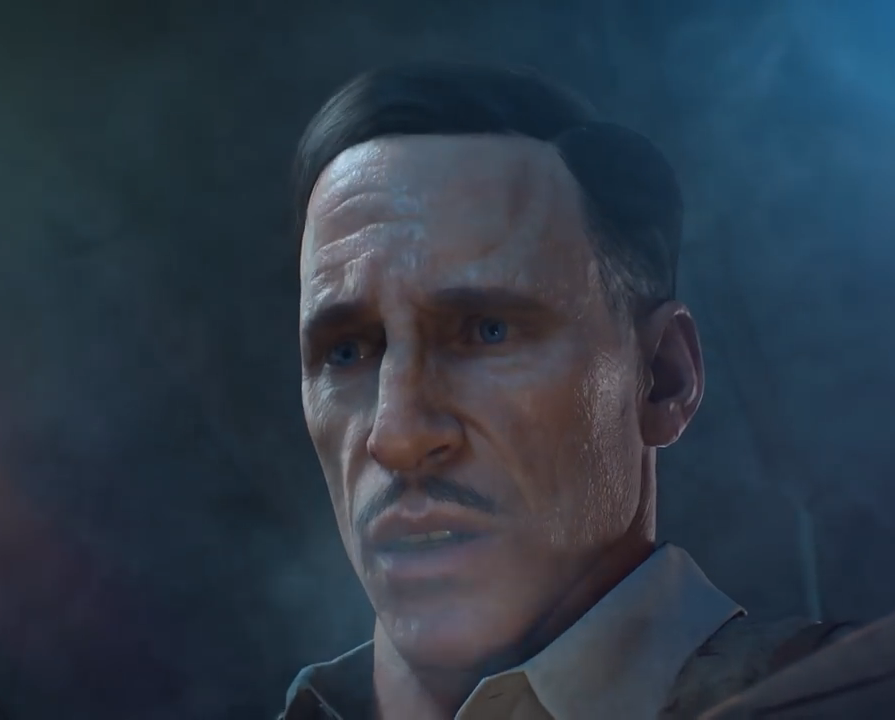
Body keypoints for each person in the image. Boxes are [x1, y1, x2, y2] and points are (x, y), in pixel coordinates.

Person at [281, 61, 845, 720]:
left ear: (663, 378)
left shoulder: (877, 698)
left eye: (488, 331)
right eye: (347, 352)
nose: (397, 435)